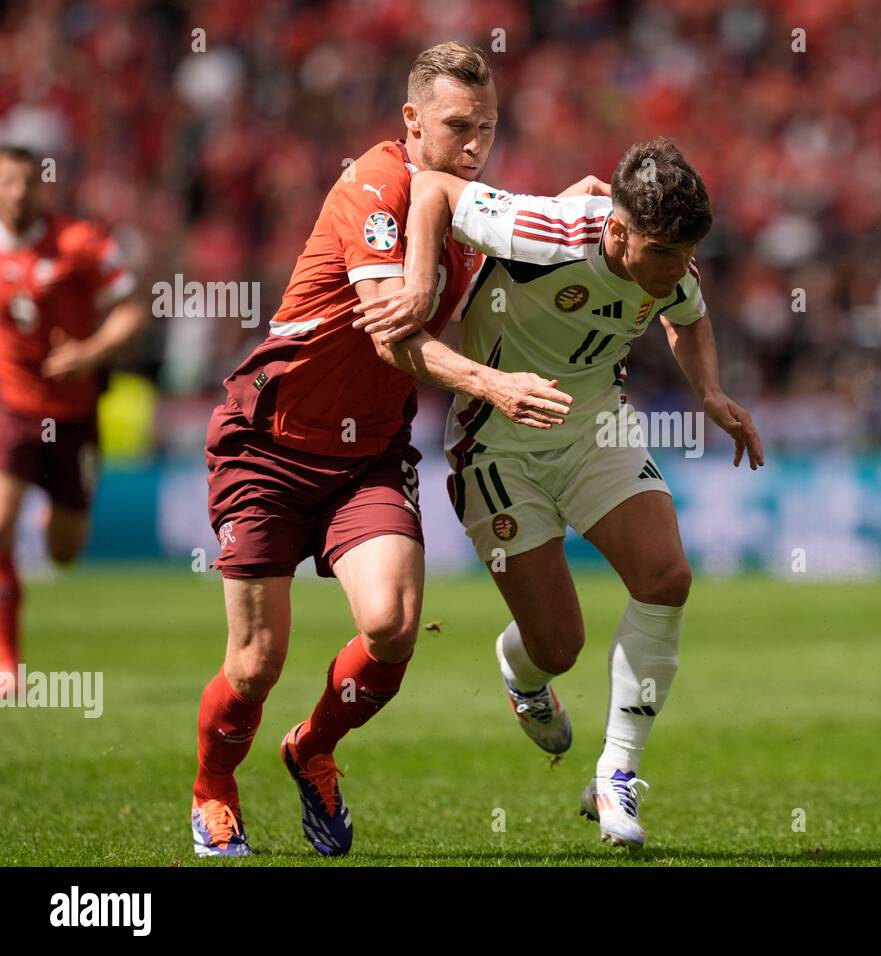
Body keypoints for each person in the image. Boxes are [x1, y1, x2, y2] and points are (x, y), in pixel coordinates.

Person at [191, 42, 585, 857]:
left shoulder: (468, 211)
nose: (475, 145)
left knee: (394, 624)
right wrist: (494, 386)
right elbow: (392, 339)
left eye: (487, 128)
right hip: (270, 444)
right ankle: (214, 788)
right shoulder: (374, 185)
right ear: (412, 121)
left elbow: (526, 243)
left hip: (365, 453)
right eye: (456, 127)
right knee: (257, 664)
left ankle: (312, 748)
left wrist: (574, 217)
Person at [368, 136, 764, 850]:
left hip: (595, 434)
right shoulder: (539, 228)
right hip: (496, 444)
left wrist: (709, 390)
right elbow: (430, 189)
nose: (680, 271)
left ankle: (616, 773)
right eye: (666, 255)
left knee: (667, 577)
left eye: (685, 255)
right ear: (617, 228)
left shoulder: (667, 259)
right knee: (559, 645)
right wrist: (420, 285)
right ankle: (524, 678)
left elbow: (690, 314)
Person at [0, 144, 147, 689]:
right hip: (11, 409)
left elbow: (133, 309)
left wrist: (90, 353)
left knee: (64, 554)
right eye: (6, 182)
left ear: (42, 187)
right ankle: (7, 660)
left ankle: (50, 515)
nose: (17, 193)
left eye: (25, 182)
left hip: (74, 414)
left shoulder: (79, 243)